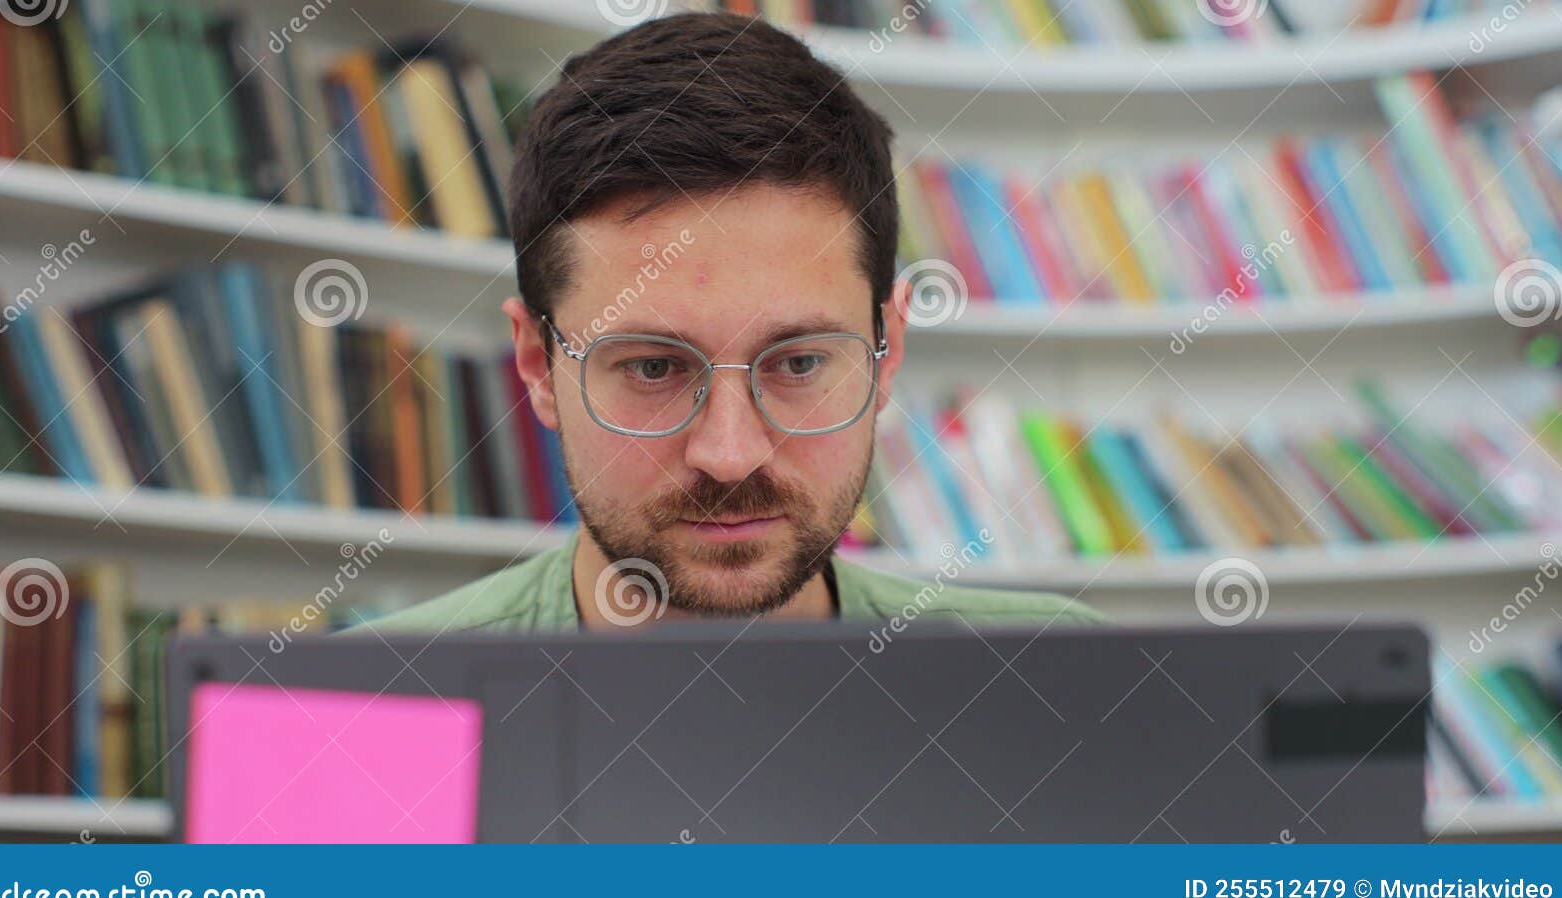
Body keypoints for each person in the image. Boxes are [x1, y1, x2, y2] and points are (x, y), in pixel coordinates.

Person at [363, 12, 1099, 634]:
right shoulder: (370, 713)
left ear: (888, 350)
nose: (729, 455)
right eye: (653, 367)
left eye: (799, 363)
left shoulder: (1063, 676)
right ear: (536, 365)